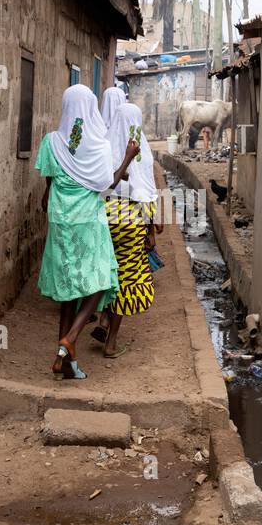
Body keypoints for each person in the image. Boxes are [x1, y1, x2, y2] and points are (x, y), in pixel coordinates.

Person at [36, 85, 138, 379]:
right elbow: (108, 186)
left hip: (60, 221)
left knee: (69, 290)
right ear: (91, 108)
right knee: (103, 280)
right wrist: (128, 158)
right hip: (89, 222)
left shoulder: (51, 141)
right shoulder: (100, 145)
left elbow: (49, 183)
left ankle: (63, 359)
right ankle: (71, 338)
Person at [92, 102, 161, 358]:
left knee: (108, 273)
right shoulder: (143, 149)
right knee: (128, 279)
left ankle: (101, 319)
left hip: (105, 219)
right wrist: (152, 228)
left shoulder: (103, 147)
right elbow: (150, 191)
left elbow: (102, 188)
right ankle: (111, 342)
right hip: (133, 221)